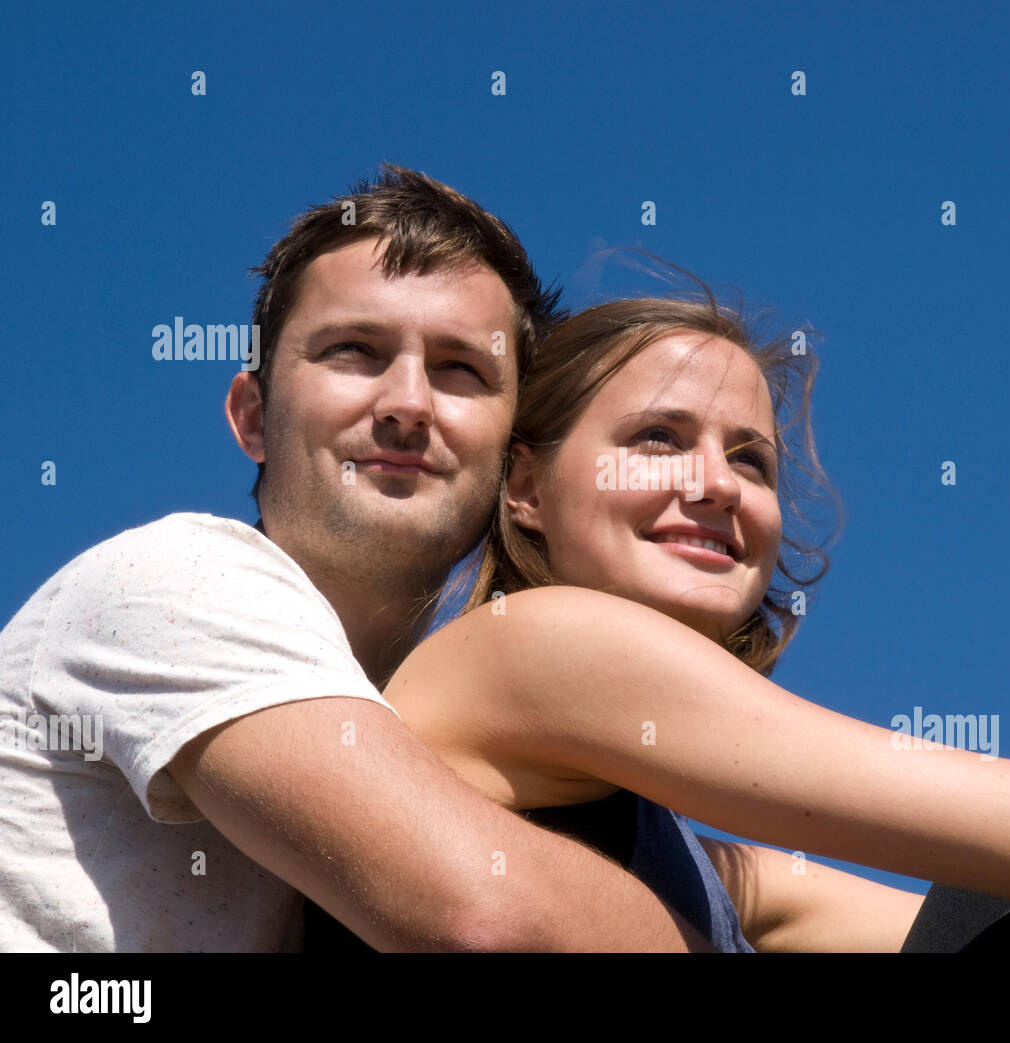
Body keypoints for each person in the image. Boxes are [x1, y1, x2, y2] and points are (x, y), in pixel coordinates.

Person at [364, 294, 1010, 951]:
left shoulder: (701, 868)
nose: (716, 484)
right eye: (658, 438)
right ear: (525, 487)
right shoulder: (531, 641)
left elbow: (982, 923)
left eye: (751, 461)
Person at [0, 165, 717, 952]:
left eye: (460, 370)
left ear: (516, 461)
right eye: (354, 351)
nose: (408, 403)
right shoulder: (175, 577)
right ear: (253, 417)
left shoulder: (437, 733)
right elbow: (484, 917)